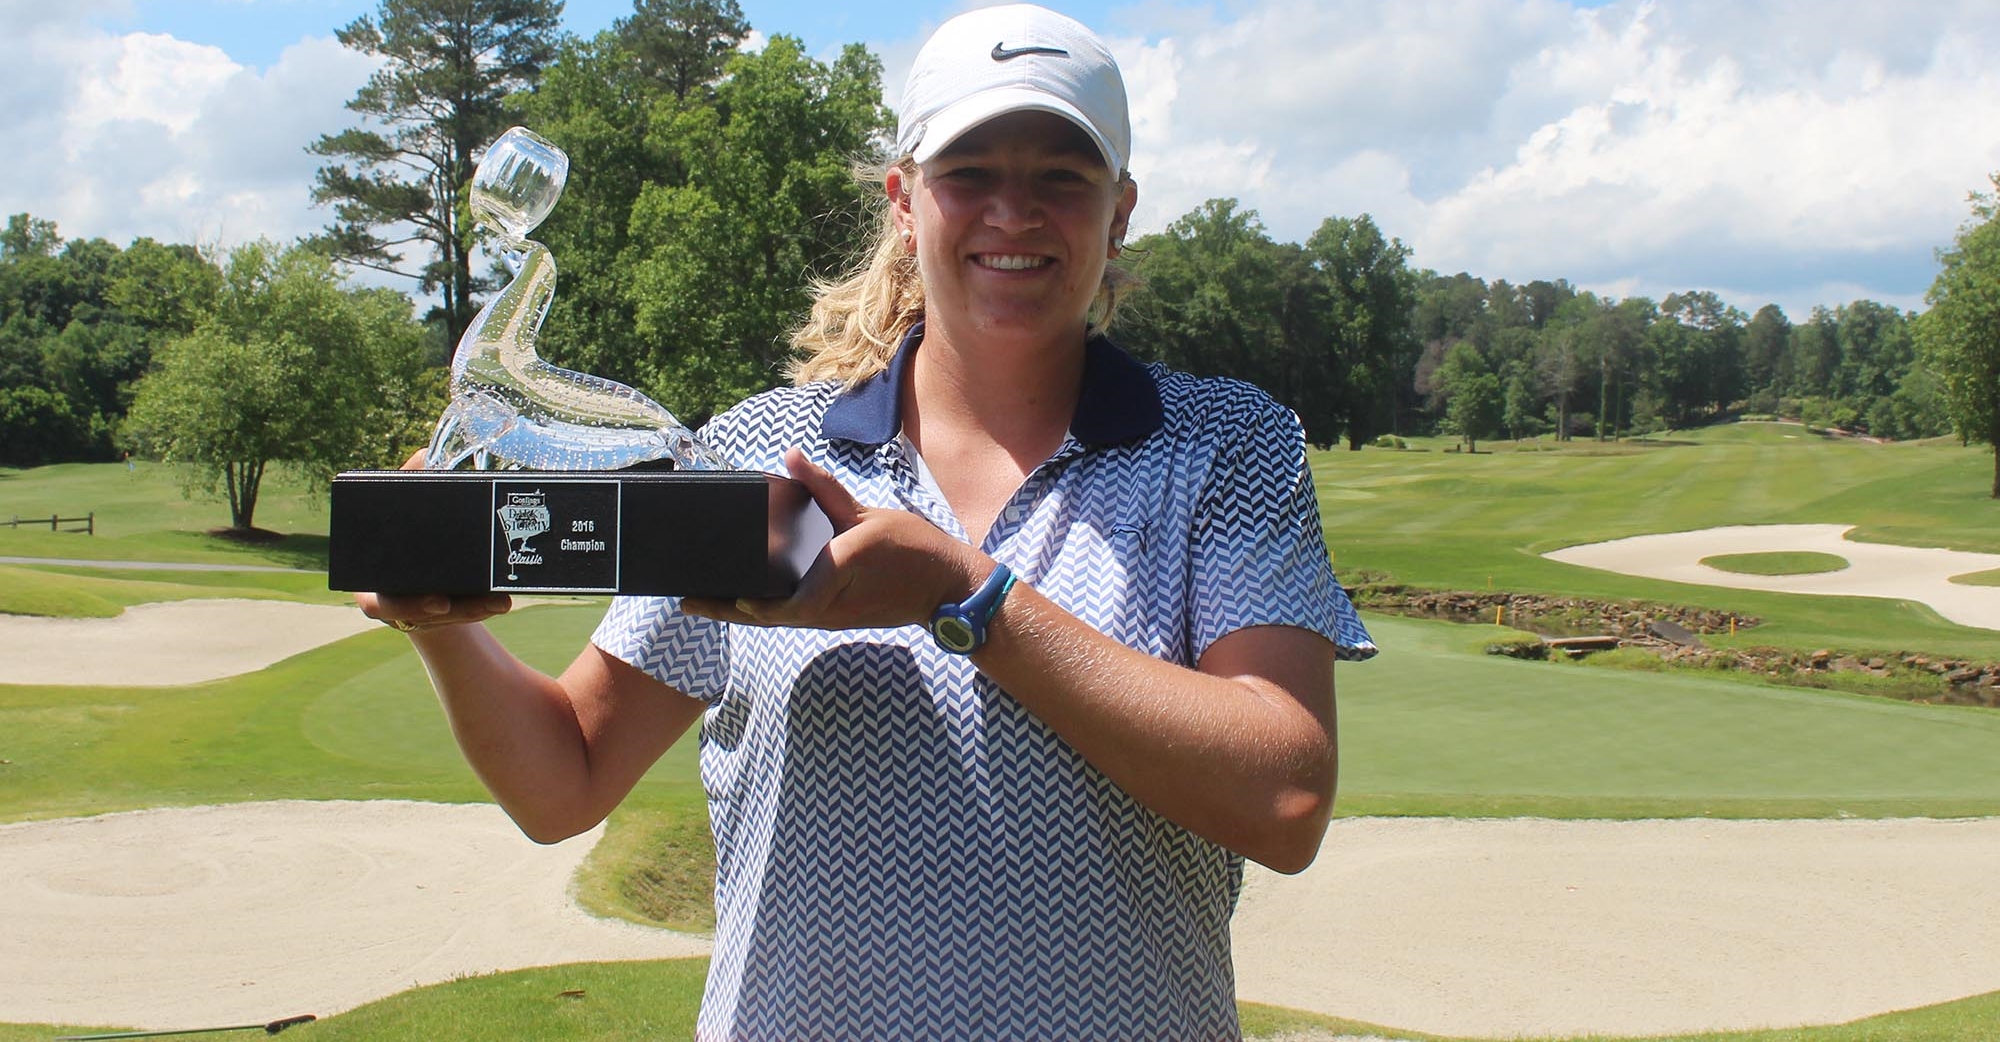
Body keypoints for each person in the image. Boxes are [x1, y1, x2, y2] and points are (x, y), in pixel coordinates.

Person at [358, 4, 1376, 1038]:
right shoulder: (757, 447)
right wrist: (440, 621)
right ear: (903, 200)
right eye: (968, 171)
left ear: (1117, 211)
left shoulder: (1224, 444)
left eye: (1060, 177)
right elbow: (564, 774)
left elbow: (1283, 797)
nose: (1012, 212)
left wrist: (961, 595)